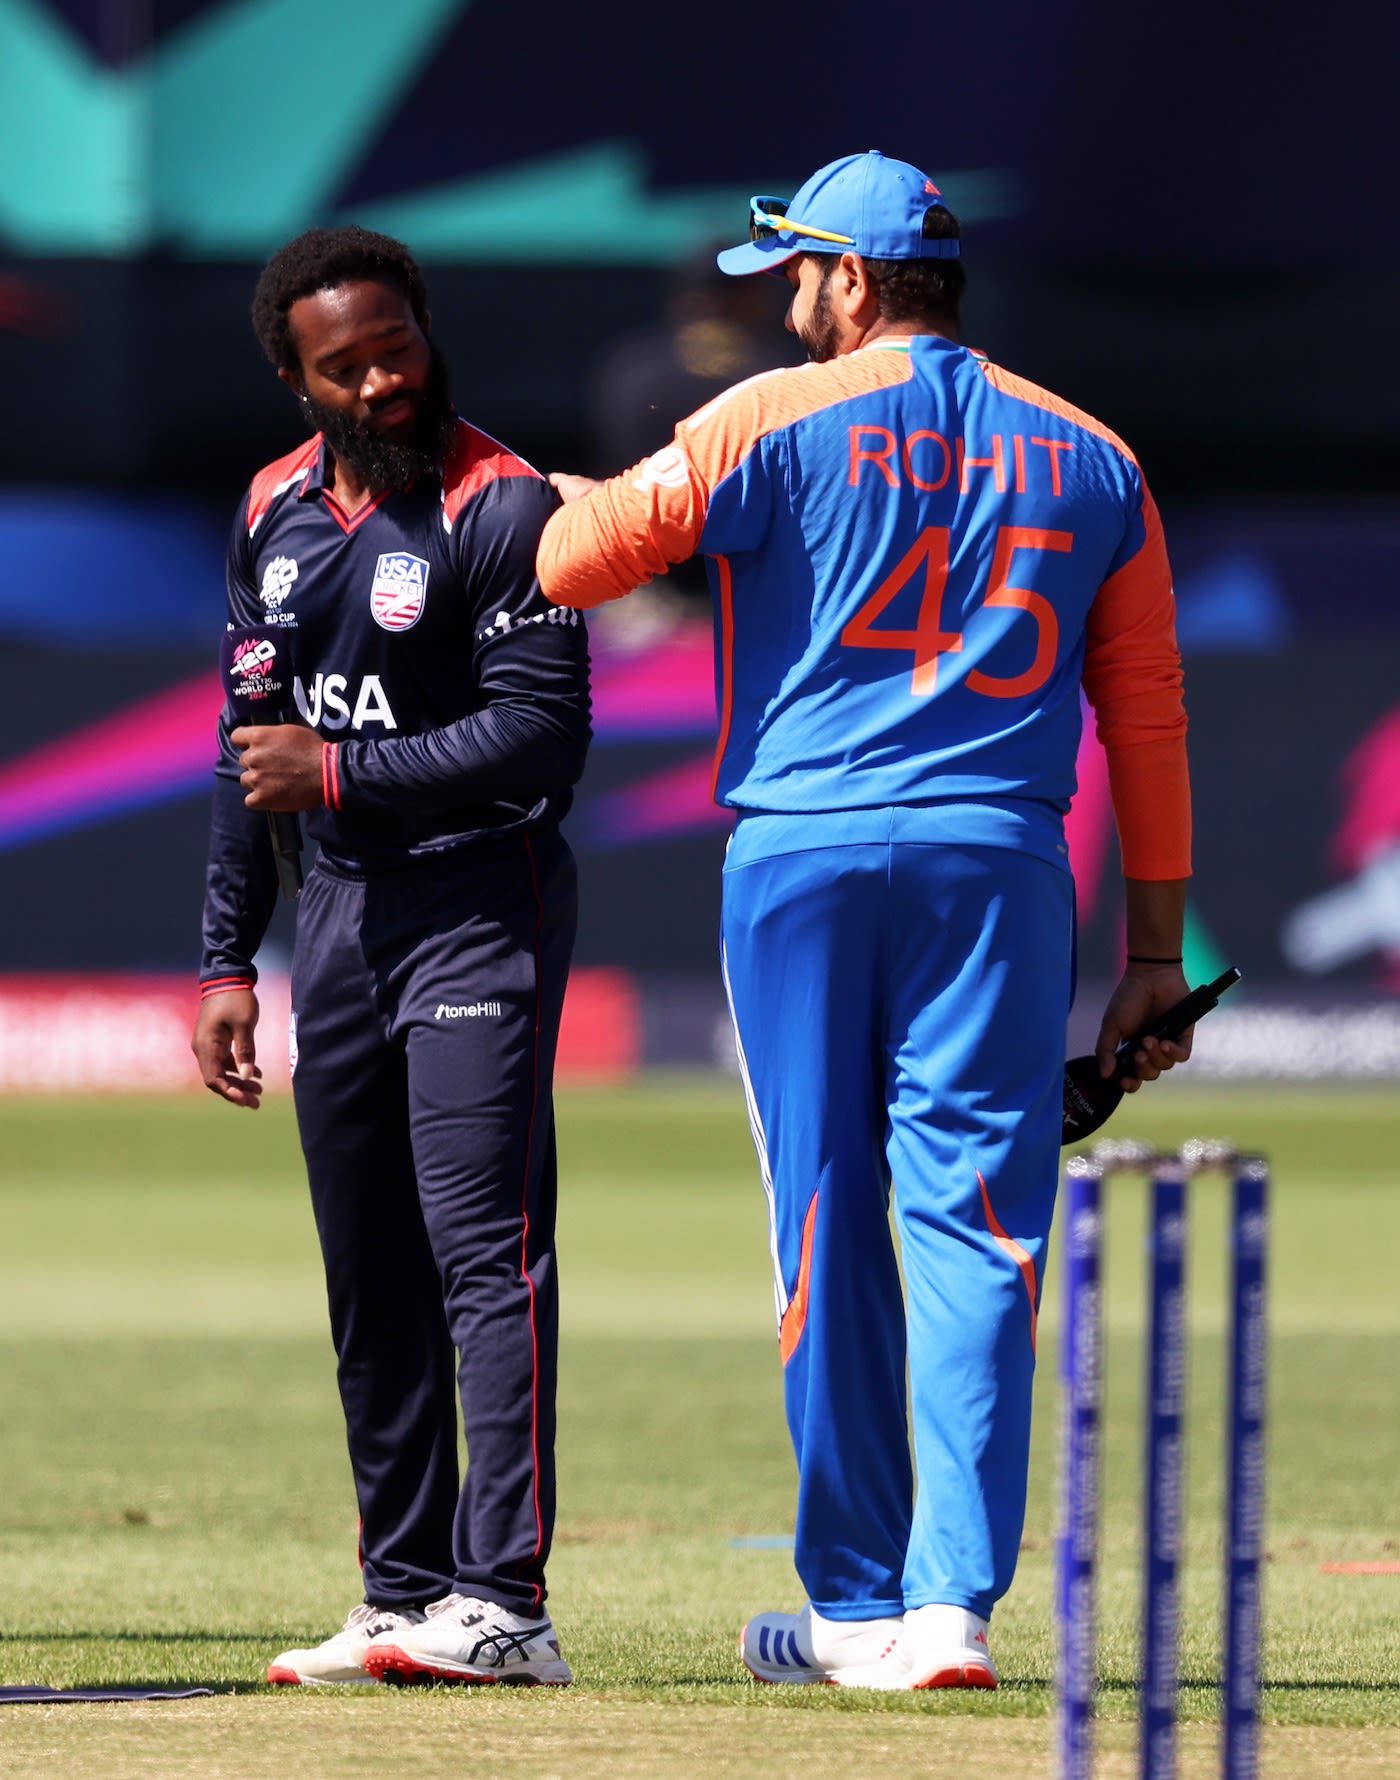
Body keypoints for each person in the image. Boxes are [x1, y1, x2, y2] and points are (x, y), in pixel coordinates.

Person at [536, 151, 1194, 1691]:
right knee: (977, 1229)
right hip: (1001, 865)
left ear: (849, 282)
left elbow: (576, 565)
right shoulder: (1094, 454)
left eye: (800, 281)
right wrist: (1155, 958)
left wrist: (597, 501)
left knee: (823, 1221)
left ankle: (850, 1609)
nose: (790, 309)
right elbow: (1147, 714)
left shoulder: (768, 415)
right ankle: (953, 1612)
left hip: (805, 858)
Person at [191, 225, 590, 1688]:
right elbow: (247, 757)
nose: (384, 382)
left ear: (428, 329)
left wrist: (343, 775)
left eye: (398, 349)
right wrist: (230, 960)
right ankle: (401, 1591)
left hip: (483, 897)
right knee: (368, 1266)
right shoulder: (273, 512)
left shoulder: (508, 504)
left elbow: (547, 735)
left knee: (484, 1253)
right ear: (301, 383)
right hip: (343, 923)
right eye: (346, 367)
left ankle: (507, 1606)